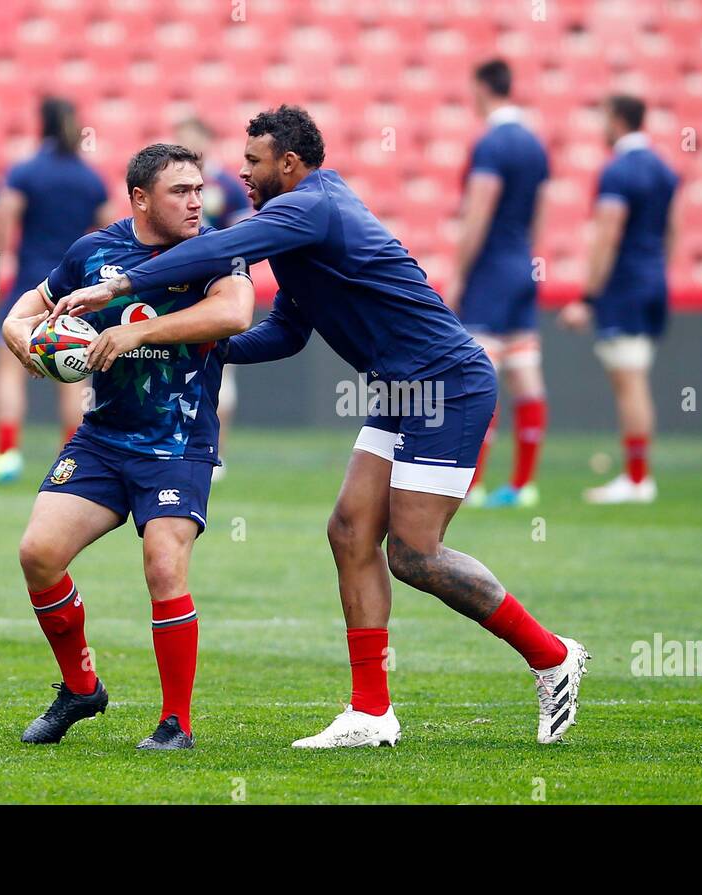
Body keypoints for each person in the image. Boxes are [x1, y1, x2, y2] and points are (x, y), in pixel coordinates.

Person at [52, 106, 589, 748]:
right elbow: (286, 331)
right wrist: (190, 345)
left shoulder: (310, 207)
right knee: (348, 532)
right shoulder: (298, 229)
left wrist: (122, 290)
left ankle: (553, 657)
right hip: (400, 389)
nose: (240, 174)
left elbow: (221, 248)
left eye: (252, 162)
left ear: (289, 163)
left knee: (414, 555)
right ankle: (371, 713)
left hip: (447, 386)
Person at [2, 144, 255, 750]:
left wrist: (135, 329)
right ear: (140, 198)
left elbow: (237, 313)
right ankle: (81, 689)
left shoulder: (215, 249)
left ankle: (176, 724)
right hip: (104, 437)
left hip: (179, 440)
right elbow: (30, 306)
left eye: (198, 189)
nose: (197, 201)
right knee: (38, 553)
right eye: (179, 191)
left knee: (164, 564)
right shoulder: (92, 251)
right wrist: (16, 330)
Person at [0, 98, 110, 486]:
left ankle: (6, 454)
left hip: (35, 283)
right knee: (75, 369)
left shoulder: (26, 172)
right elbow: (105, 231)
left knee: (9, 366)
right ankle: (70, 457)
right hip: (78, 286)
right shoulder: (90, 178)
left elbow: (4, 218)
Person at [559, 94, 679, 505]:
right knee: (635, 376)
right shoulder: (665, 169)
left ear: (616, 120)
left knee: (629, 382)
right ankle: (637, 474)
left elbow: (607, 233)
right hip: (653, 281)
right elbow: (672, 230)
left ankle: (637, 478)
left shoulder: (617, 171)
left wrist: (588, 297)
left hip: (625, 287)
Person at [444, 59, 551, 509]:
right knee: (526, 376)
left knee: (479, 378)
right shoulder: (535, 144)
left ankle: (473, 485)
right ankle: (523, 485)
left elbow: (478, 213)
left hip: (490, 272)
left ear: (483, 88)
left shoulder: (491, 145)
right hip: (522, 265)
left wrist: (459, 275)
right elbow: (539, 214)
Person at [174, 116, 254, 482]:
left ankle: (216, 450)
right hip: (176, 284)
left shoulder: (227, 185)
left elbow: (244, 236)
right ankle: (176, 441)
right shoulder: (168, 185)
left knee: (219, 370)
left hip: (214, 285)